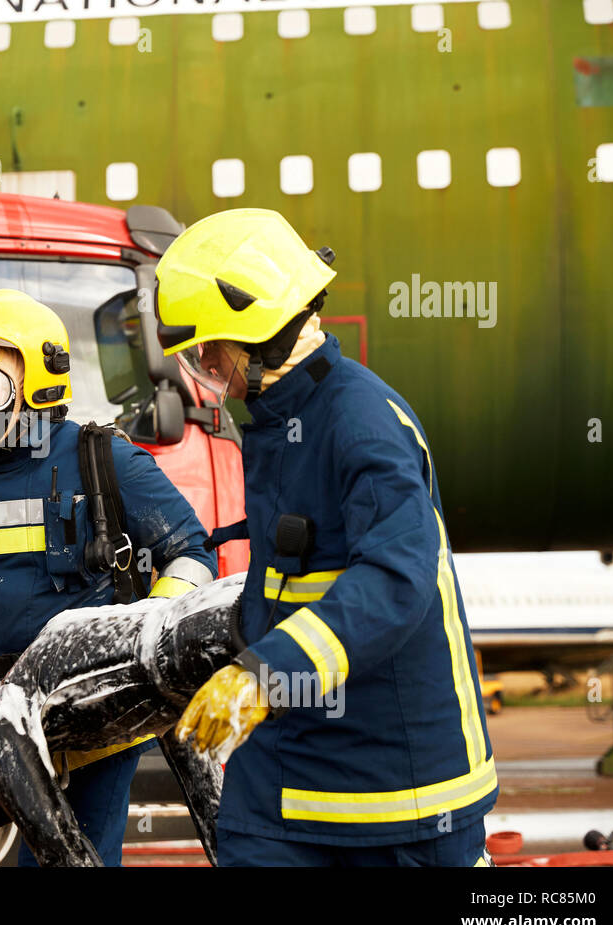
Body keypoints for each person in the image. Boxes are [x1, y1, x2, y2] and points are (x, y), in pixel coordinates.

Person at [158, 208, 497, 867]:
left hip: (400, 795)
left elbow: (395, 580)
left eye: (212, 350)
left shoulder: (361, 422)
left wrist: (265, 675)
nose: (205, 367)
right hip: (293, 771)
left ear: (260, 335)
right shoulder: (290, 421)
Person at [0, 288, 218, 867]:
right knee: (44, 857)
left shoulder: (104, 459)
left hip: (97, 707)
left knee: (77, 850)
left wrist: (145, 640)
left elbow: (192, 552)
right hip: (10, 717)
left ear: (39, 379)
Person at [0, 571, 245, 867]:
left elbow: (64, 854)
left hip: (197, 639)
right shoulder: (47, 662)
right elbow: (210, 799)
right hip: (215, 618)